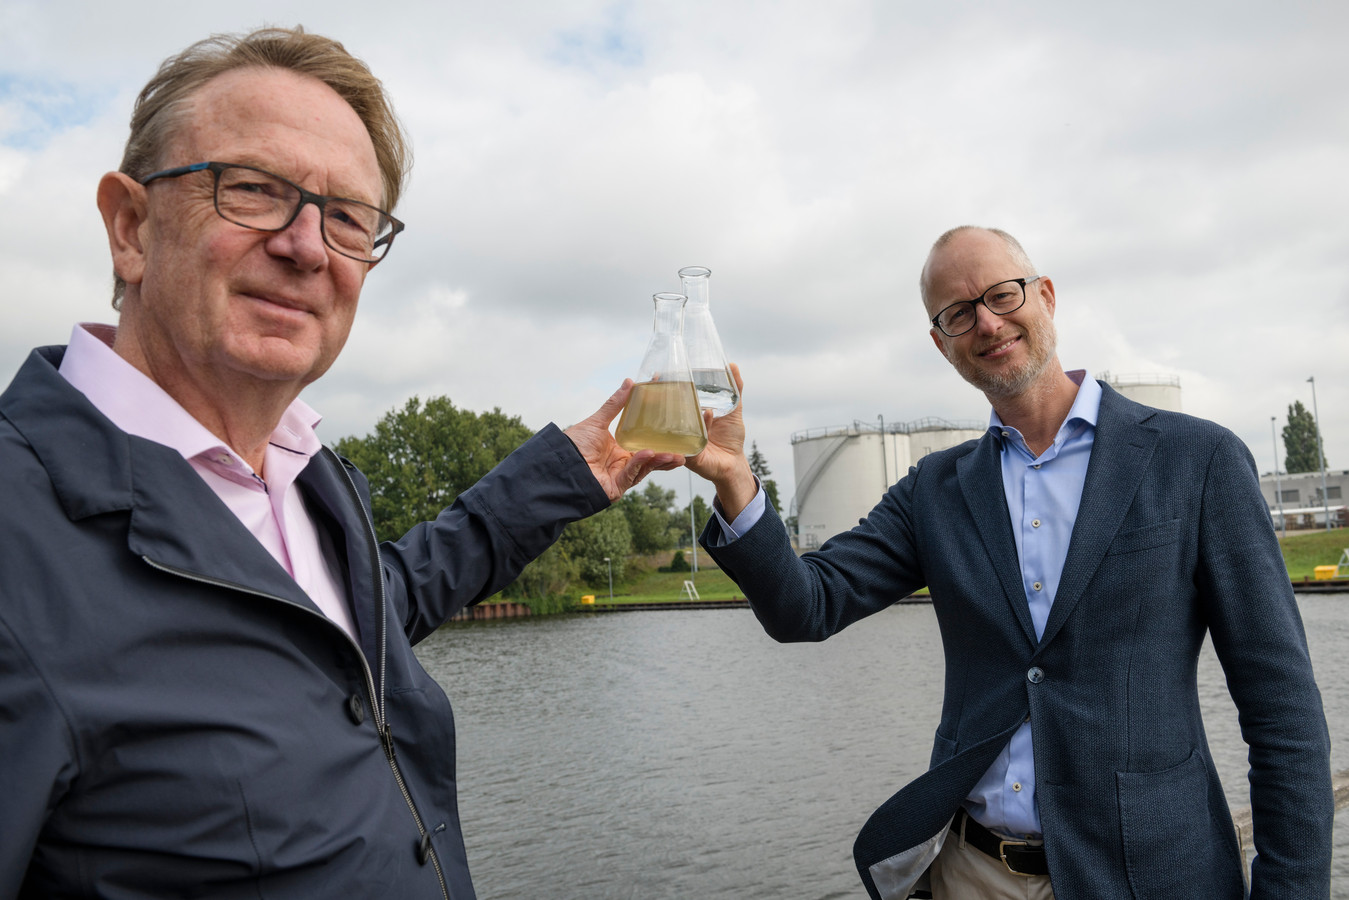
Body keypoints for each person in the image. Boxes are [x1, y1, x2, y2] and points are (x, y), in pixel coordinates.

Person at [0, 27, 680, 899]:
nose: (308, 247)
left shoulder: (311, 476)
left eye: (349, 217)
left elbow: (370, 613)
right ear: (130, 227)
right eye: (253, 189)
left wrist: (568, 473)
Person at [687, 226, 1333, 899]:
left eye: (1002, 295)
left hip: (1149, 875)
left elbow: (1281, 710)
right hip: (972, 875)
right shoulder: (935, 490)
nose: (988, 324)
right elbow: (806, 605)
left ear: (1045, 295)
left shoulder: (1197, 461)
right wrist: (734, 477)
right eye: (958, 314)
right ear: (941, 343)